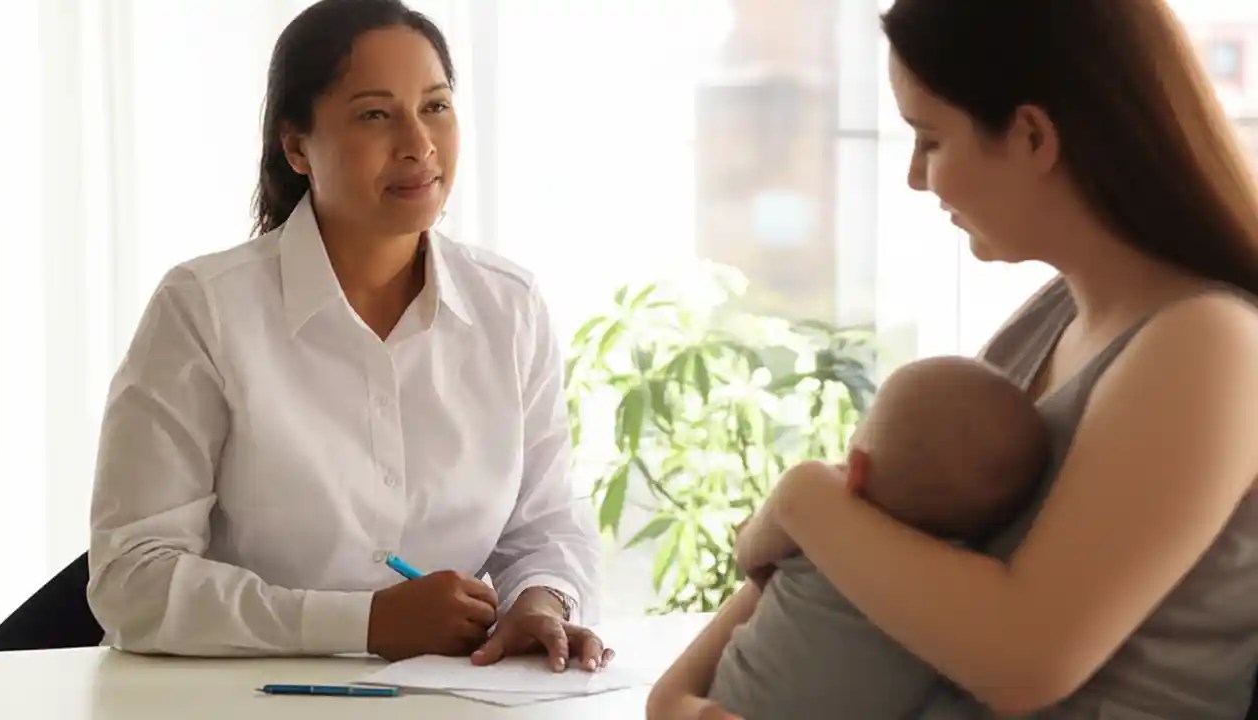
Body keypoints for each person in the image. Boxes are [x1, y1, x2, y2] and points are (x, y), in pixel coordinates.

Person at [649, 0, 1258, 717]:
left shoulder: (1209, 344)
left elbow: (1027, 659)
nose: (915, 176)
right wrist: (681, 698)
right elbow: (872, 529)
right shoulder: (1048, 323)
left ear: (1031, 136)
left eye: (929, 140)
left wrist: (803, 499)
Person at [86, 0, 612, 672]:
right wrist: (365, 622)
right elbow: (133, 580)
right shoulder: (204, 309)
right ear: (296, 147)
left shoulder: (510, 307)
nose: (418, 143)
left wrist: (541, 603)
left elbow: (546, 525)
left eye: (435, 106)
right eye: (374, 115)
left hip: (451, 699)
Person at [707, 356, 1050, 720]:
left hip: (730, 705)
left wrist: (757, 529)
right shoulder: (961, 608)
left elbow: (749, 553)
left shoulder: (820, 532)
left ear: (856, 469)